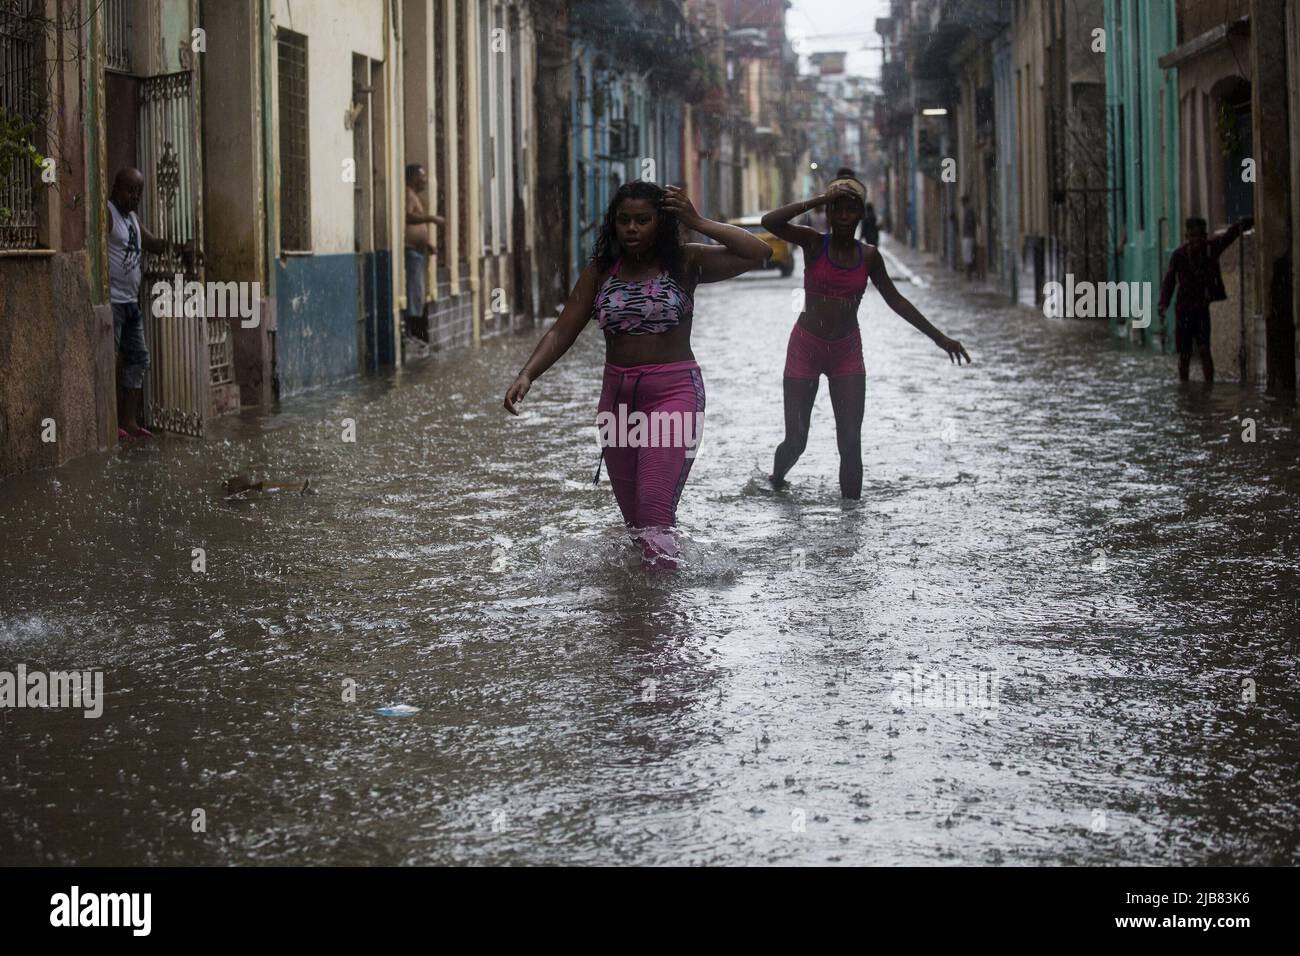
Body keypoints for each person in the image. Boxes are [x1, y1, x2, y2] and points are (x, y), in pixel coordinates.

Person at [503, 181, 770, 569]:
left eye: (642, 220)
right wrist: (528, 374)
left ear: (661, 224)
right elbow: (562, 330)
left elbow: (758, 251)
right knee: (635, 524)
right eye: (624, 220)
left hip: (674, 394)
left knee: (654, 512)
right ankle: (637, 613)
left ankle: (660, 614)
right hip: (617, 401)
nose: (631, 228)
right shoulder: (601, 271)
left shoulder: (685, 262)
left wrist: (696, 220)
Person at [761, 175, 971, 499]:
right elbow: (770, 221)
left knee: (850, 441)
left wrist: (940, 339)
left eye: (851, 210)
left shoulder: (870, 256)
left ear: (861, 215)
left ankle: (851, 523)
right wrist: (819, 199)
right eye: (837, 210)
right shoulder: (814, 243)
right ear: (828, 214)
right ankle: (776, 482)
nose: (844, 217)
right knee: (797, 440)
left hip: (846, 351)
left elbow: (897, 300)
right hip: (805, 347)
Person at [108, 168, 170, 441]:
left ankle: (129, 422)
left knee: (138, 359)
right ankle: (111, 424)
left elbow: (154, 245)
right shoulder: (108, 213)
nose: (135, 197)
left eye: (139, 192)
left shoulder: (132, 218)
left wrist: (175, 245)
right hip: (113, 302)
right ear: (116, 189)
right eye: (130, 190)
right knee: (111, 361)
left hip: (131, 303)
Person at [1158, 215, 1253, 383]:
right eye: (1192, 236)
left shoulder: (1211, 248)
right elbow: (1170, 281)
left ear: (1205, 235)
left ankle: (1208, 388)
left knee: (1204, 350)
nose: (1196, 240)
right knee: (1184, 354)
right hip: (1183, 311)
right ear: (1186, 237)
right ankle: (1184, 387)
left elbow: (1229, 236)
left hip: (1201, 309)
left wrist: (1245, 223)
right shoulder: (1178, 255)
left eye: (1200, 236)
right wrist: (1163, 304)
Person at [404, 163, 445, 346]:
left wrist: (427, 243)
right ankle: (411, 331)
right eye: (422, 177)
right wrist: (431, 218)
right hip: (411, 252)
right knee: (414, 292)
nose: (425, 181)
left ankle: (416, 332)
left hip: (418, 252)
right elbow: (407, 217)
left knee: (418, 292)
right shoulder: (407, 193)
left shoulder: (414, 196)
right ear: (413, 177)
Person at [960, 194, 977, 280]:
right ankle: (968, 274)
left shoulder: (969, 210)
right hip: (967, 235)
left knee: (968, 255)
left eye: (962, 202)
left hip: (968, 236)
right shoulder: (967, 210)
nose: (961, 205)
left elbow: (971, 223)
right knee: (967, 255)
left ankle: (969, 274)